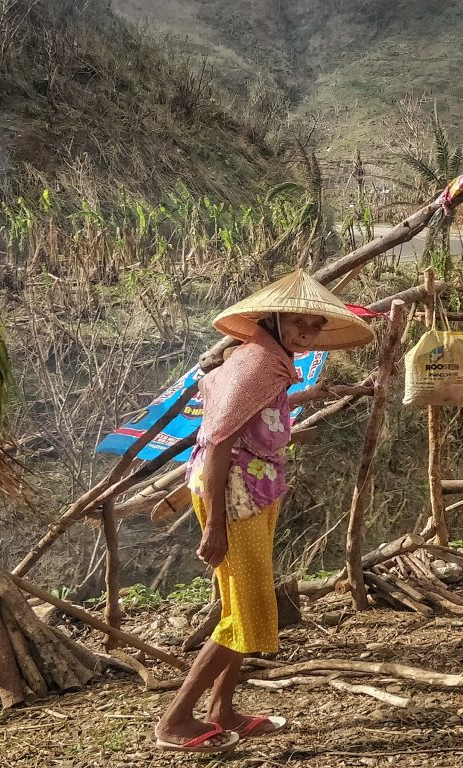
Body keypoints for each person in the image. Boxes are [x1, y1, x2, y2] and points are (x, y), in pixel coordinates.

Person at [154, 270, 374, 753]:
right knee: (250, 609)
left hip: (254, 490)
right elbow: (215, 442)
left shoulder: (270, 362)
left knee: (240, 608)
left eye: (315, 326)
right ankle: (174, 721)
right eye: (300, 322)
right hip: (232, 495)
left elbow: (255, 410)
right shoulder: (257, 364)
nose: (307, 333)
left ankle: (223, 709)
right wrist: (214, 524)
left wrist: (307, 396)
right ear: (275, 318)